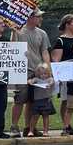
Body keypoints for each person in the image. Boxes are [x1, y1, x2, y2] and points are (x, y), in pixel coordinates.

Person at [11, 9, 51, 137]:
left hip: (38, 72)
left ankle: (29, 128)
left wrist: (48, 68)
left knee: (34, 101)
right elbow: (12, 46)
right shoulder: (19, 31)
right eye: (38, 16)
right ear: (30, 17)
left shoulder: (42, 33)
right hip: (22, 70)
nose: (41, 19)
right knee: (20, 99)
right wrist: (13, 32)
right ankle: (14, 126)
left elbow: (44, 52)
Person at [27, 63, 56, 137]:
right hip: (37, 101)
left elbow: (52, 82)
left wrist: (49, 84)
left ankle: (45, 131)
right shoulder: (36, 79)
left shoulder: (50, 79)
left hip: (46, 100)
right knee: (34, 116)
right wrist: (30, 82)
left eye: (45, 73)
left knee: (45, 116)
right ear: (38, 73)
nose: (43, 75)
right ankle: (31, 131)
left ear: (48, 73)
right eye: (41, 74)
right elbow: (30, 81)